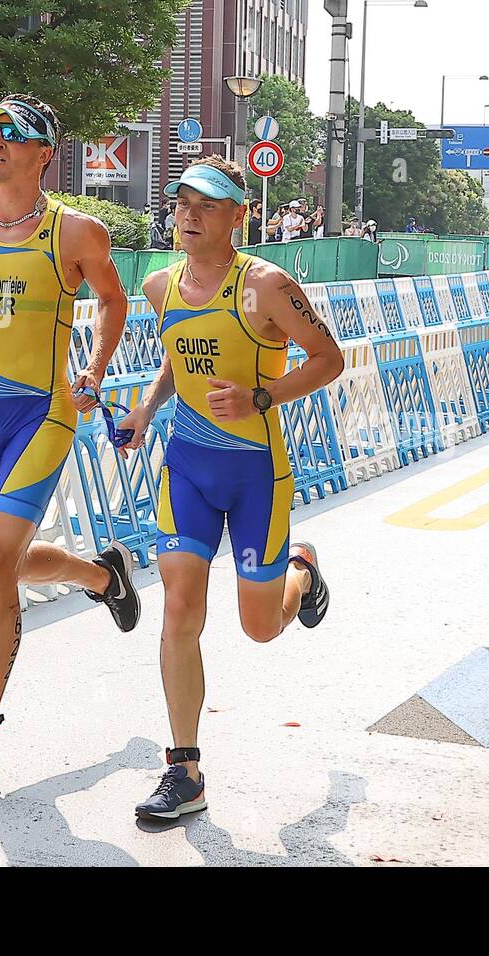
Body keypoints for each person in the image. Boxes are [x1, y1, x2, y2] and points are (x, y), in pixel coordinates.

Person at [0, 93, 141, 791]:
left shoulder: (76, 232)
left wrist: (95, 369)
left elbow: (113, 301)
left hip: (43, 413)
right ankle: (103, 577)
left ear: (45, 153)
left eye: (13, 135)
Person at [114, 155, 344, 820]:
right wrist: (146, 409)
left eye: (206, 204)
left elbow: (329, 359)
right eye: (182, 201)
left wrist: (261, 397)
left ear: (238, 216)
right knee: (180, 609)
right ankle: (183, 770)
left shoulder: (267, 285)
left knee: (260, 628)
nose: (188, 214)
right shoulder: (159, 287)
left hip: (255, 477)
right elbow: (176, 354)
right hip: (186, 465)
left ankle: (302, 568)